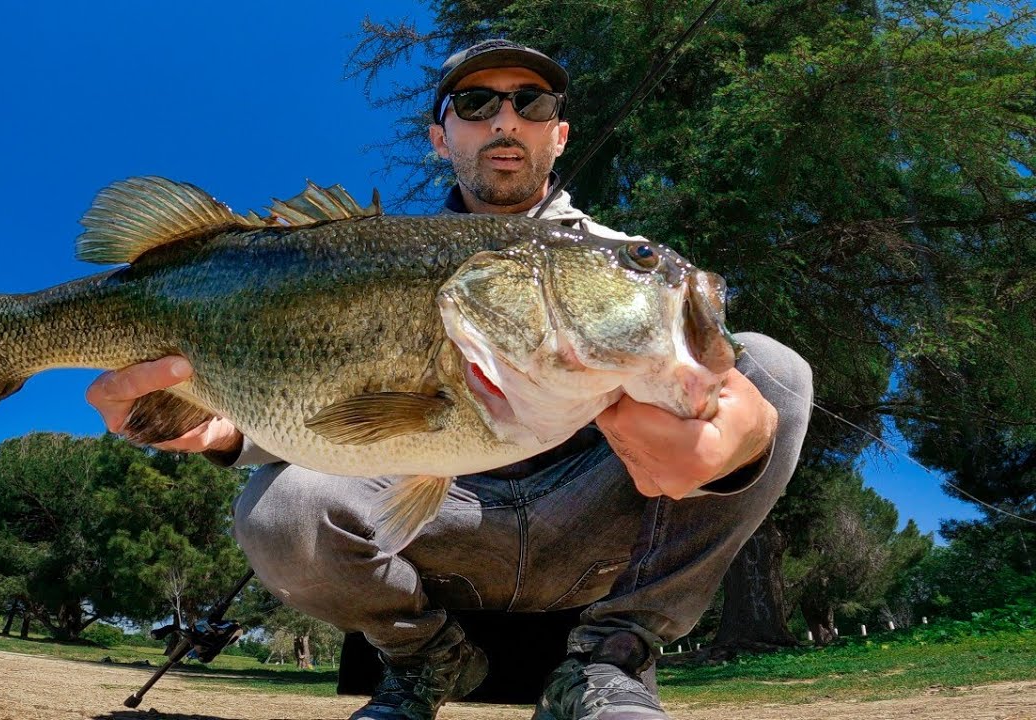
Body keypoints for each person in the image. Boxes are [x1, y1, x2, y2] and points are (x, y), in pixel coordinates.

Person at [86, 39, 813, 720]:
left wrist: (747, 435)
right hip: (440, 531)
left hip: (588, 538)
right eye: (475, 104)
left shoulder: (621, 262)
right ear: (441, 138)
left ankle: (611, 661)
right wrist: (225, 430)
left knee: (778, 372)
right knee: (279, 509)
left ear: (559, 134)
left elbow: (733, 389)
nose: (505, 120)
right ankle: (424, 661)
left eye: (532, 103)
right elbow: (335, 419)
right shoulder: (367, 257)